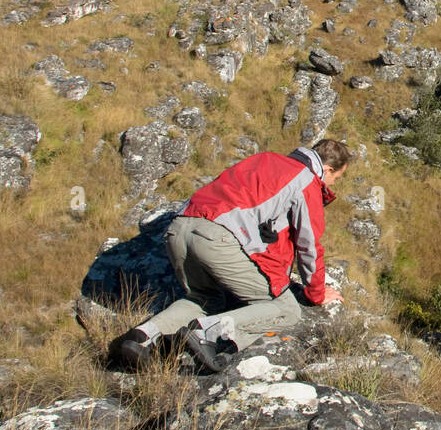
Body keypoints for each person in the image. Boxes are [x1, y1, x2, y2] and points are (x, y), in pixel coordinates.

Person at [109, 138, 351, 373]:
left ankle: (143, 336)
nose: (330, 185)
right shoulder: (306, 180)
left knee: (205, 298)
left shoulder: (263, 159)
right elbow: (309, 244)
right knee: (287, 309)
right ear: (327, 169)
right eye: (335, 178)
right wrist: (317, 294)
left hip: (179, 228)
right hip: (217, 238)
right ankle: (206, 332)